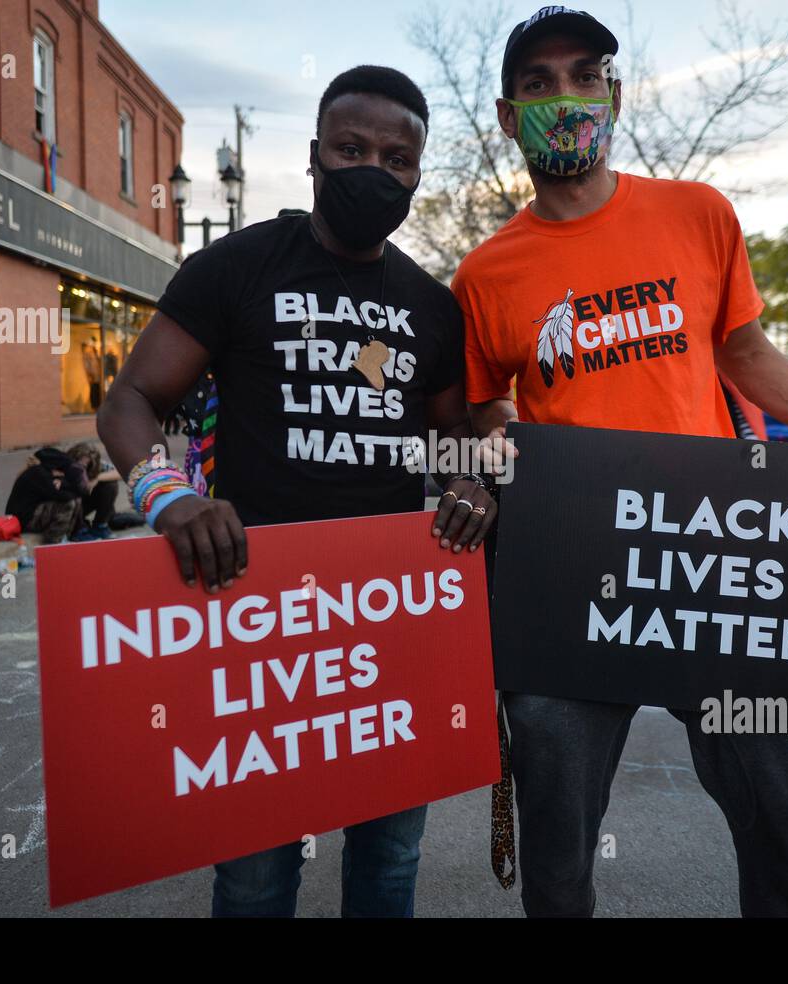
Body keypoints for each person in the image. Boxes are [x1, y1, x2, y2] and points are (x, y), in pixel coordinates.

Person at [452, 7, 788, 918]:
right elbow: (488, 405)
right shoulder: (487, 274)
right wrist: (487, 458)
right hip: (575, 585)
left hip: (722, 574)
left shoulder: (698, 214)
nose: (563, 97)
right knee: (557, 864)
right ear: (504, 112)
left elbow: (748, 355)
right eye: (537, 83)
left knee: (784, 833)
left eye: (584, 75)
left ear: (615, 93)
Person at [97, 66, 498, 918]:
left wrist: (470, 482)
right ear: (313, 156)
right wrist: (169, 497)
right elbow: (131, 400)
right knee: (252, 871)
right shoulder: (234, 269)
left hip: (391, 617)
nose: (373, 169)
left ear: (417, 176)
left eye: (397, 157)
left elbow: (453, 437)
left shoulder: (431, 306)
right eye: (352, 148)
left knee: (391, 855)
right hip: (254, 610)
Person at [4, 446, 83, 544]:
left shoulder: (43, 472)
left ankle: (67, 536)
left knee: (77, 500)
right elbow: (61, 496)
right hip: (23, 520)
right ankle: (54, 541)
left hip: (32, 514)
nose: (63, 472)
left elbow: (75, 489)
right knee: (68, 503)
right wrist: (66, 487)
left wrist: (62, 483)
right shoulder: (38, 473)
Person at [65, 441, 121, 540]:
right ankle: (78, 528)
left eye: (87, 464)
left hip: (85, 502)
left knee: (111, 484)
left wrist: (97, 479)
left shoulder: (96, 464)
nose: (84, 466)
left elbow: (119, 473)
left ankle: (100, 525)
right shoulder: (64, 464)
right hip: (68, 506)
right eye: (81, 463)